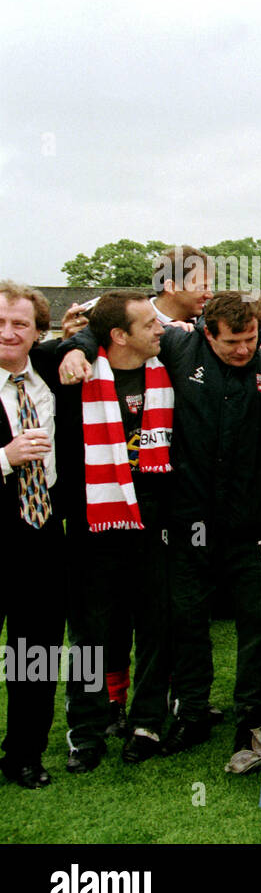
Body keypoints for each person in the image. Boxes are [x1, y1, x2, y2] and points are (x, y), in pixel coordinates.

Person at [60, 291, 261, 771]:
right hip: (189, 519)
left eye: (250, 338)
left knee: (257, 627)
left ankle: (253, 718)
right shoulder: (178, 347)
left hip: (256, 524)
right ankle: (192, 710)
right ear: (208, 332)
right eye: (231, 342)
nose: (243, 349)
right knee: (186, 621)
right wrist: (75, 348)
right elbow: (106, 329)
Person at [59, 292, 174, 769]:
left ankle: (147, 720)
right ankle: (86, 730)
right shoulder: (69, 368)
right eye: (149, 324)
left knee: (155, 625)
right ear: (119, 336)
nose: (160, 329)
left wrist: (80, 342)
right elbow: (55, 343)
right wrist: (74, 347)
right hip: (94, 524)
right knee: (90, 631)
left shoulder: (169, 362)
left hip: (153, 524)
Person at [0, 282, 63, 789]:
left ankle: (25, 753)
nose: (8, 332)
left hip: (41, 535)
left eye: (19, 323)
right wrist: (5, 457)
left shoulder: (51, 375)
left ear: (39, 331)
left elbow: (92, 336)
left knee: (35, 651)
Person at [150, 245, 213, 324]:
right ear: (171, 287)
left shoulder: (215, 326)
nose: (210, 295)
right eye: (201, 287)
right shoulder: (134, 325)